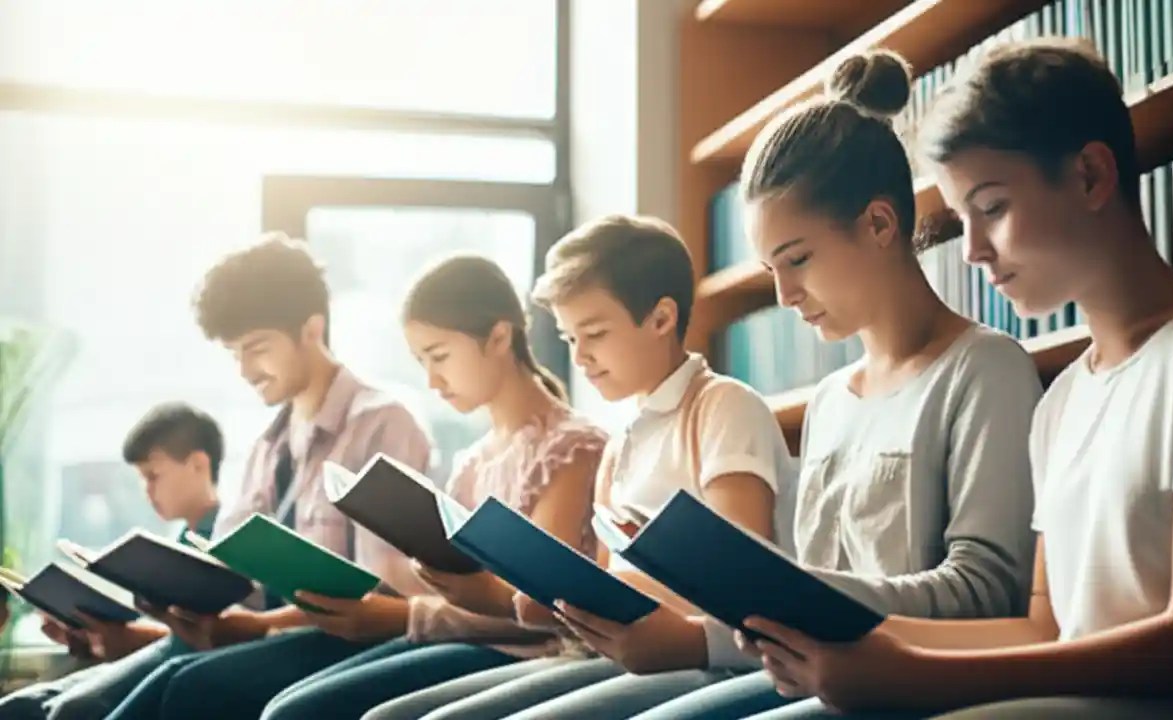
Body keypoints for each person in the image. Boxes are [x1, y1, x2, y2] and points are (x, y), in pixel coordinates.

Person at [744, 38, 1173, 720]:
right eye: (962, 218)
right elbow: (1042, 629)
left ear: (1089, 176)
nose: (971, 250)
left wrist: (918, 678)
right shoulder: (1062, 403)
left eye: (991, 208)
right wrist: (855, 643)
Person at [621, 49, 1042, 720]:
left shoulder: (986, 370)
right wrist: (696, 637)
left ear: (879, 224)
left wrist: (787, 590)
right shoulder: (829, 401)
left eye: (798, 260)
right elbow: (799, 623)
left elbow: (986, 594)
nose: (785, 295)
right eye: (770, 269)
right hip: (805, 679)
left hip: (915, 690)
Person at [363, 214, 797, 720]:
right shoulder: (622, 446)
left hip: (709, 658)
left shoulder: (722, 407)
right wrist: (544, 598)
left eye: (594, 334)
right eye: (570, 340)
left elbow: (742, 576)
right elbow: (617, 586)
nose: (582, 357)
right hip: (620, 653)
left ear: (660, 320)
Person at [252, 255, 609, 720]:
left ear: (500, 337)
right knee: (287, 705)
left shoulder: (572, 449)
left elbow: (541, 605)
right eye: (422, 362)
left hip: (529, 651)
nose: (432, 381)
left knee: (299, 713)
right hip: (456, 636)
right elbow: (454, 587)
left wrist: (402, 615)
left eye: (439, 356)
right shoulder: (473, 461)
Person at [101, 233, 433, 720]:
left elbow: (384, 597)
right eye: (235, 353)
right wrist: (182, 601)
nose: (245, 371)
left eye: (256, 349)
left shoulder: (383, 423)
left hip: (345, 642)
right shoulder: (267, 444)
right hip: (269, 635)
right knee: (72, 705)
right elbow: (238, 579)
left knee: (190, 689)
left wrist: (255, 628)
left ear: (311, 330)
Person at [0, 403, 225, 720]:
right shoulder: (181, 538)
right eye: (141, 479)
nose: (147, 491)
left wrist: (128, 637)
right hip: (159, 654)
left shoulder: (225, 539)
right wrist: (87, 630)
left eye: (153, 476)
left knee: (71, 710)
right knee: (17, 707)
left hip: (185, 665)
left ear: (198, 466)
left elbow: (219, 634)